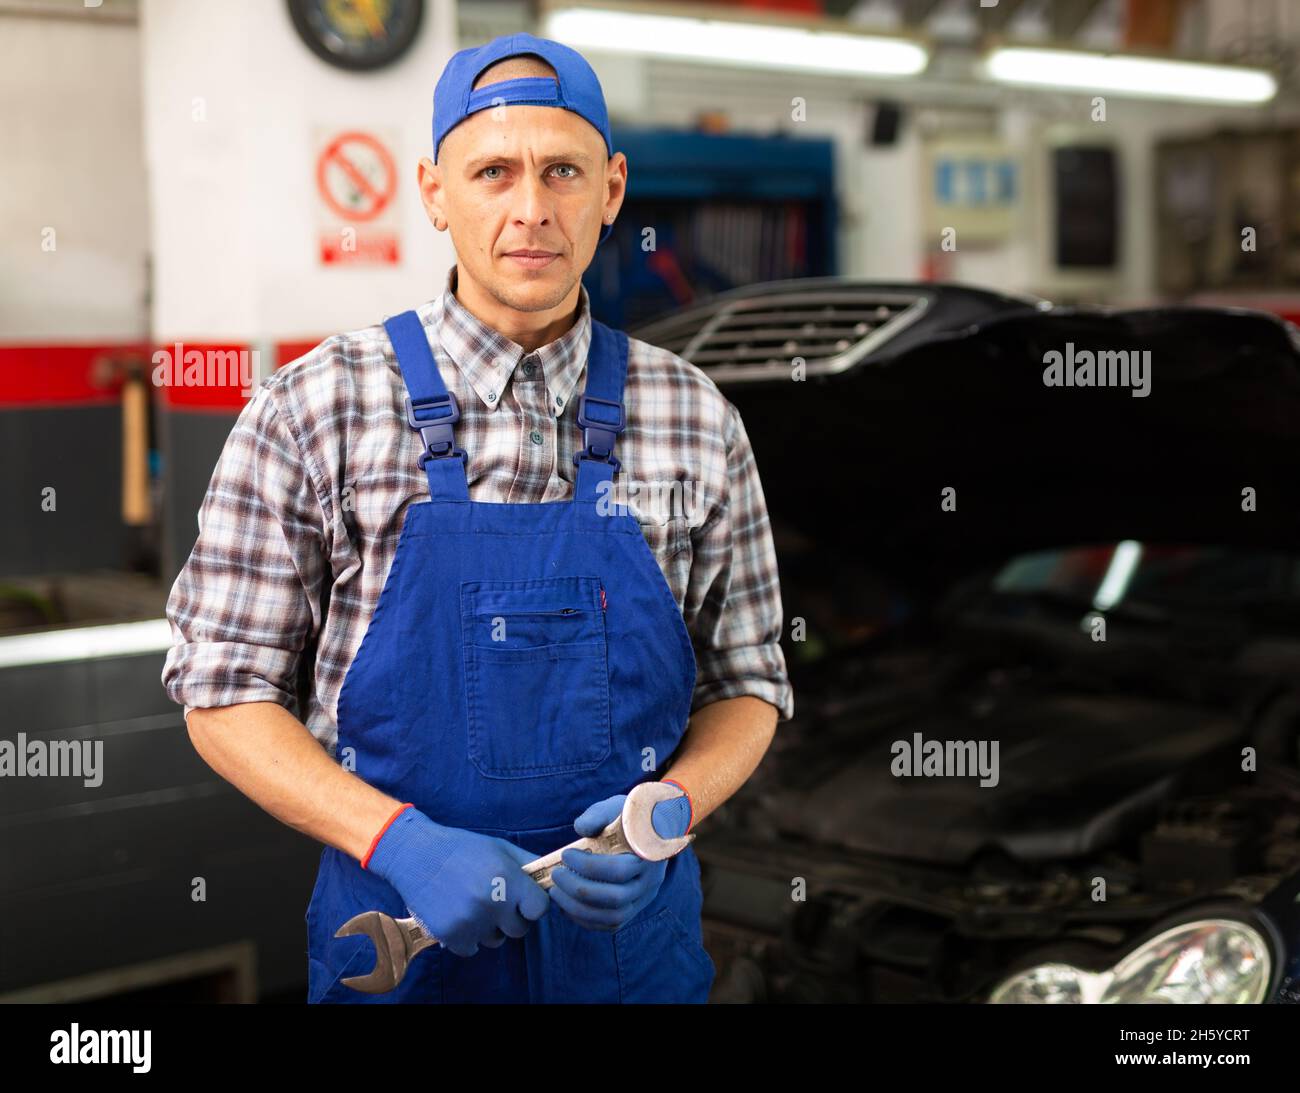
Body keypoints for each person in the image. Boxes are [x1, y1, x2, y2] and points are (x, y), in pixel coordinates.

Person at [161, 32, 793, 1004]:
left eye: (563, 171)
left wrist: (668, 808)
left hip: (633, 957)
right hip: (403, 944)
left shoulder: (696, 417)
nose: (530, 209)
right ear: (434, 191)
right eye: (492, 171)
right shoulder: (313, 408)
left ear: (612, 190)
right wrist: (397, 840)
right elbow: (222, 693)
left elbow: (748, 681)